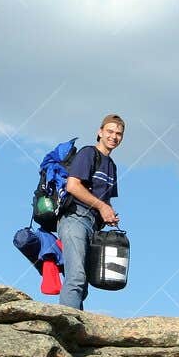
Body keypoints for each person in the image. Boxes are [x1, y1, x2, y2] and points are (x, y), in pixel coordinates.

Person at [58, 114, 123, 310]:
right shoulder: (88, 154)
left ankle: (76, 327)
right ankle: (66, 327)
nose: (114, 136)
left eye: (119, 134)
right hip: (75, 219)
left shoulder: (111, 166)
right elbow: (73, 186)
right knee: (76, 277)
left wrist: (108, 213)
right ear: (100, 132)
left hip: (93, 225)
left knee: (83, 282)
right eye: (110, 131)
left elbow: (105, 199)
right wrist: (102, 207)